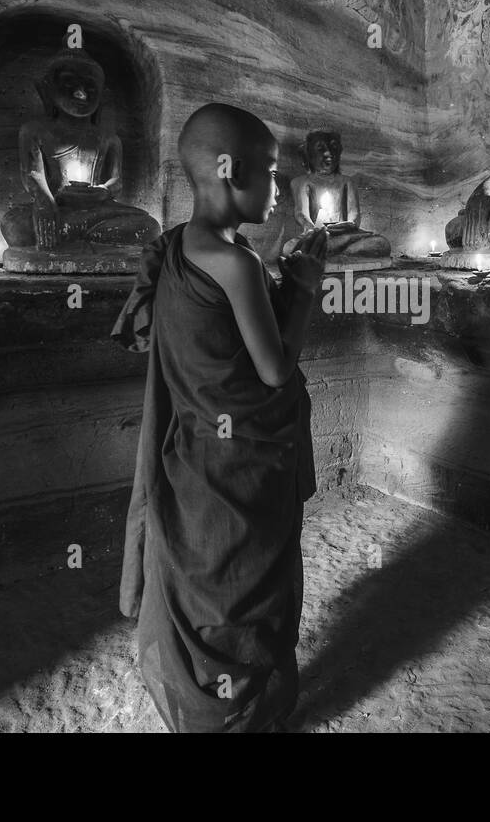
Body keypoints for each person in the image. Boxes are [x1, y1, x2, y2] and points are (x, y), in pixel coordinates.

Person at [111, 102, 328, 732]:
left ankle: (199, 701)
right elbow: (273, 370)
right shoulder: (236, 265)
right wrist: (307, 286)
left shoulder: (177, 245)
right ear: (229, 169)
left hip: (194, 461)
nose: (280, 188)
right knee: (241, 585)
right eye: (270, 171)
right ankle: (236, 713)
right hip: (240, 465)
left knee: (205, 578)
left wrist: (280, 285)